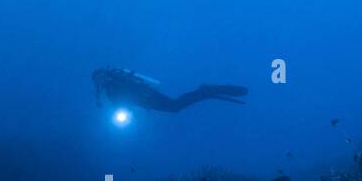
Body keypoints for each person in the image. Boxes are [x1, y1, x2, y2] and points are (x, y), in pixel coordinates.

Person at [92, 68, 248, 112]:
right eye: (97, 81)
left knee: (175, 105)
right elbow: (120, 105)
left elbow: (132, 90)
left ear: (104, 75)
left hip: (148, 97)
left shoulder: (118, 80)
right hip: (146, 102)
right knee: (175, 106)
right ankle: (205, 92)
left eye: (100, 78)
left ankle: (205, 91)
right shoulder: (108, 92)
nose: (100, 81)